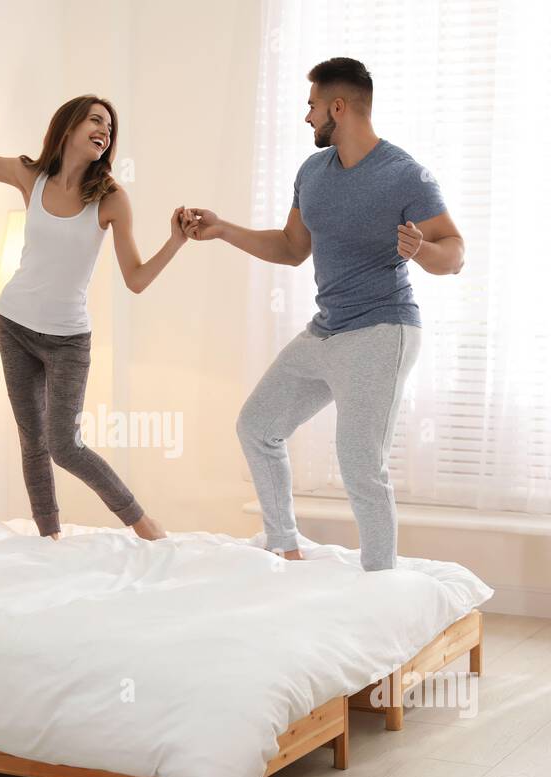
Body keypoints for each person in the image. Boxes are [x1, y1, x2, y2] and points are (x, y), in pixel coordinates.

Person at [184, 57, 464, 570]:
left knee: (361, 465)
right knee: (257, 425)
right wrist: (223, 229)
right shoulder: (312, 172)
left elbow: (455, 254)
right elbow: (293, 248)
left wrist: (422, 249)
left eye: (312, 106)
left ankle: (380, 584)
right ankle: (285, 547)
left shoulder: (405, 175)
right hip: (326, 330)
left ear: (338, 106)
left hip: (382, 329)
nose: (307, 116)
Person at [0, 31, 187, 541]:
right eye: (97, 119)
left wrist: (176, 241)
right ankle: (48, 538)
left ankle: (143, 523)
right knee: (31, 442)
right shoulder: (28, 175)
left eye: (110, 126)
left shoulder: (112, 199)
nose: (105, 129)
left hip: (68, 337)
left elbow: (136, 280)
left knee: (64, 444)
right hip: (13, 323)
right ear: (70, 125)